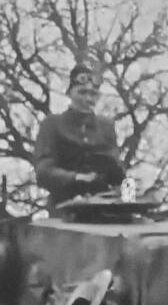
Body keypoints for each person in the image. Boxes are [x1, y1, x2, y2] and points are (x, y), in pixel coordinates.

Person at [33, 64, 126, 208]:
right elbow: (43, 172)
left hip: (103, 205)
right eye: (82, 92)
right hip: (64, 208)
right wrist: (76, 177)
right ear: (69, 93)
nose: (88, 99)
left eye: (93, 94)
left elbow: (117, 169)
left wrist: (128, 191)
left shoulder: (105, 126)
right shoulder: (52, 124)